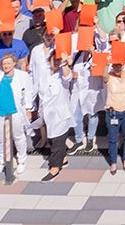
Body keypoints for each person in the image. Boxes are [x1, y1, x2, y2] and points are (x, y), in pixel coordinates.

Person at [0, 52, 35, 175]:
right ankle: (2, 161)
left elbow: (28, 92)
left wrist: (29, 109)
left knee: (18, 137)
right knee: (0, 139)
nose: (6, 66)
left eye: (9, 63)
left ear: (14, 63)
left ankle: (21, 161)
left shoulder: (23, 76)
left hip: (15, 112)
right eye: (4, 64)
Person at [36, 53, 75, 182]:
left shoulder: (62, 74)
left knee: (57, 142)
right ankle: (63, 159)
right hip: (48, 114)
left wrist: (65, 63)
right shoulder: (44, 75)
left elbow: (68, 77)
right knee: (53, 139)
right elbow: (40, 93)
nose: (57, 62)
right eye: (55, 60)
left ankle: (54, 167)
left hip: (61, 115)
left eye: (59, 60)